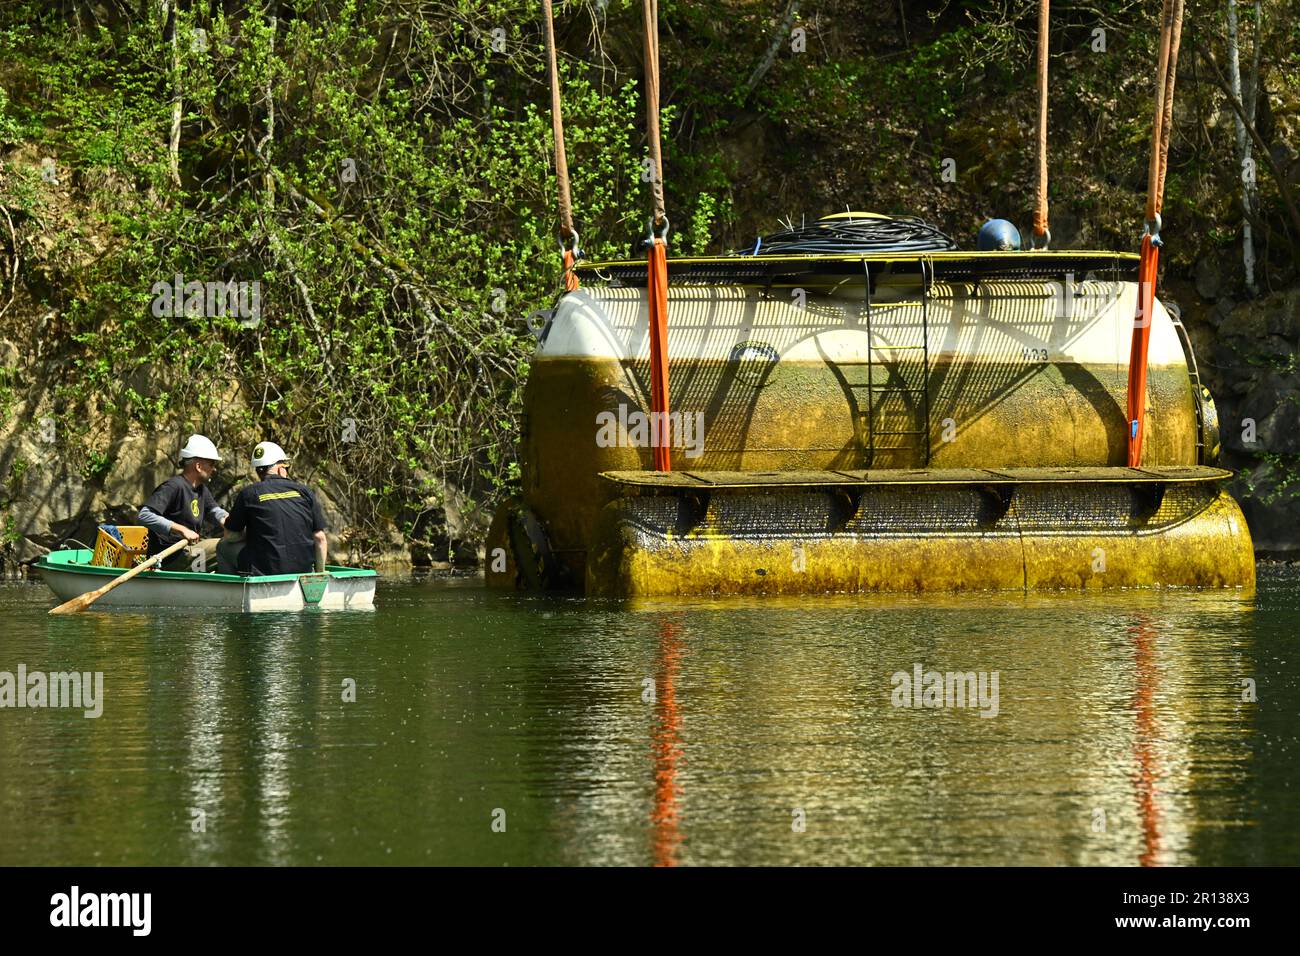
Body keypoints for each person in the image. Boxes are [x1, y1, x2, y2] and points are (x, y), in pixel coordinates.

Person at [220, 441, 328, 575]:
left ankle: (232, 592)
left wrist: (250, 535)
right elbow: (320, 538)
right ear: (280, 468)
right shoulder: (305, 492)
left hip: (265, 572)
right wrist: (320, 573)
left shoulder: (248, 494)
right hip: (303, 572)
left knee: (223, 546)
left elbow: (230, 536)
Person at [138, 434, 227, 571]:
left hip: (189, 551)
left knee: (233, 543)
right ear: (198, 466)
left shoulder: (201, 490)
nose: (214, 469)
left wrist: (233, 524)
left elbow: (215, 512)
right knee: (224, 547)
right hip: (171, 557)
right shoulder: (174, 486)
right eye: (211, 464)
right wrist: (182, 529)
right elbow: (144, 515)